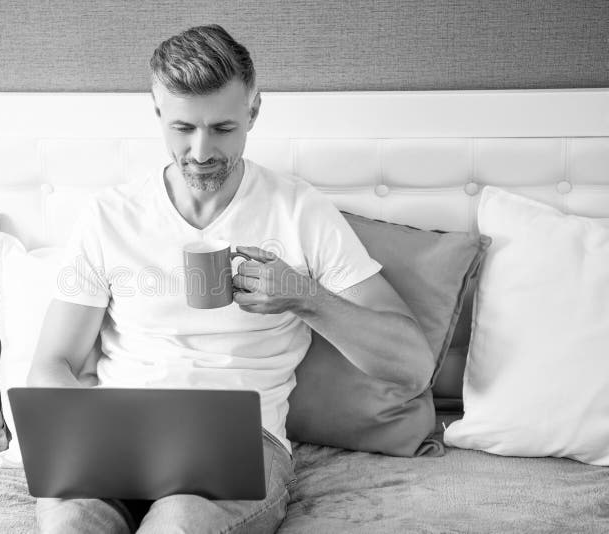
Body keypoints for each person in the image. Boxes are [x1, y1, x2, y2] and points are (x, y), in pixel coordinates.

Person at [27, 24, 434, 534]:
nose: (200, 152)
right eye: (182, 128)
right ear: (157, 112)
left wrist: (305, 299)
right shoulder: (111, 215)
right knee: (71, 522)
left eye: (222, 128)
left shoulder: (299, 211)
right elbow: (52, 363)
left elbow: (414, 366)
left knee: (181, 524)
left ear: (254, 111)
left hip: (243, 445)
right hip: (120, 435)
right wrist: (88, 432)